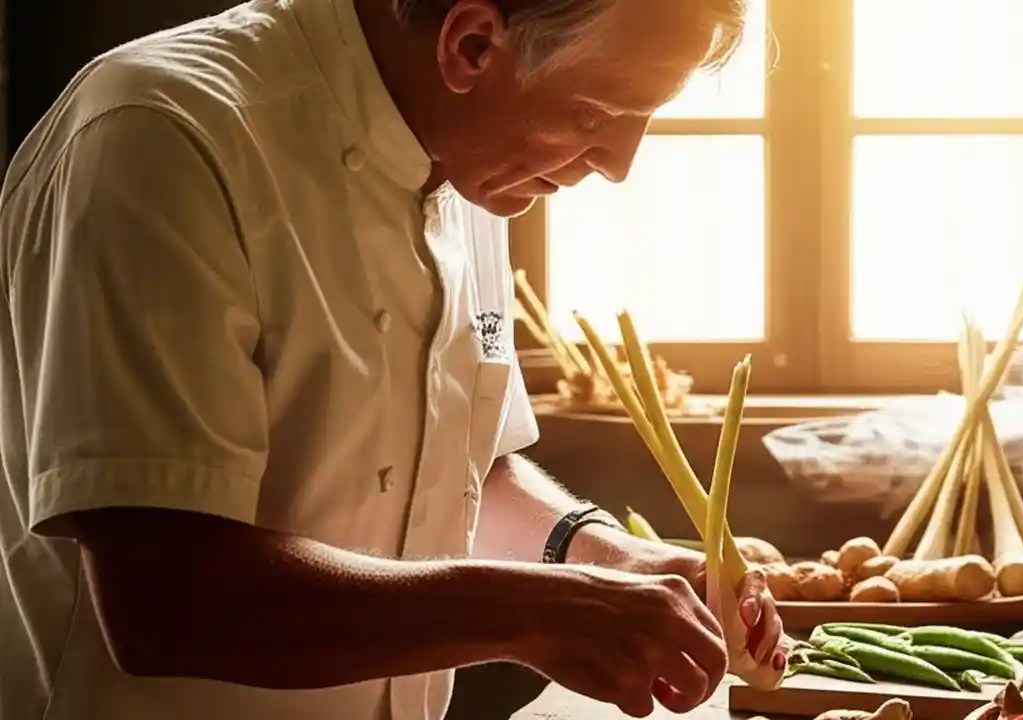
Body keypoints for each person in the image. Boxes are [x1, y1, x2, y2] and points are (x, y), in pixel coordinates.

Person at [0, 0, 787, 719]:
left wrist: (605, 558)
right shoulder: (164, 135)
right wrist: (541, 612)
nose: (618, 164)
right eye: (597, 112)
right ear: (471, 45)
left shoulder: (470, 157)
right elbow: (165, 599)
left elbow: (465, 472)